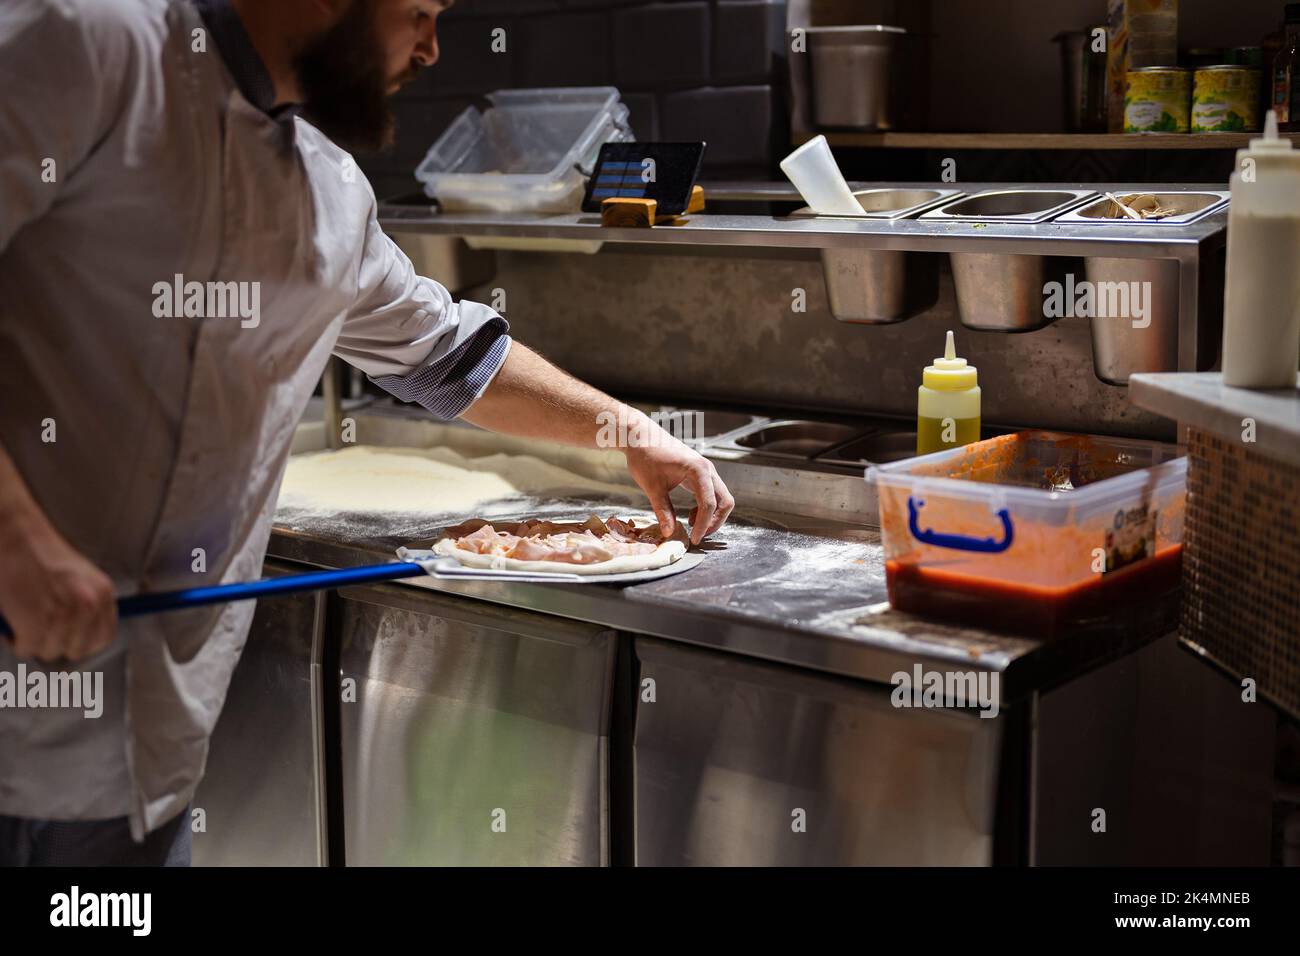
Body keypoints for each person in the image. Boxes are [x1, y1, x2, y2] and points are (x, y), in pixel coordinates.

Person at [0, 0, 734, 865]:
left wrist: (630, 434)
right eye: (418, 12)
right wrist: (17, 544)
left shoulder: (327, 190)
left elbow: (447, 353)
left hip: (141, 758)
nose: (430, 49)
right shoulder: (90, 43)